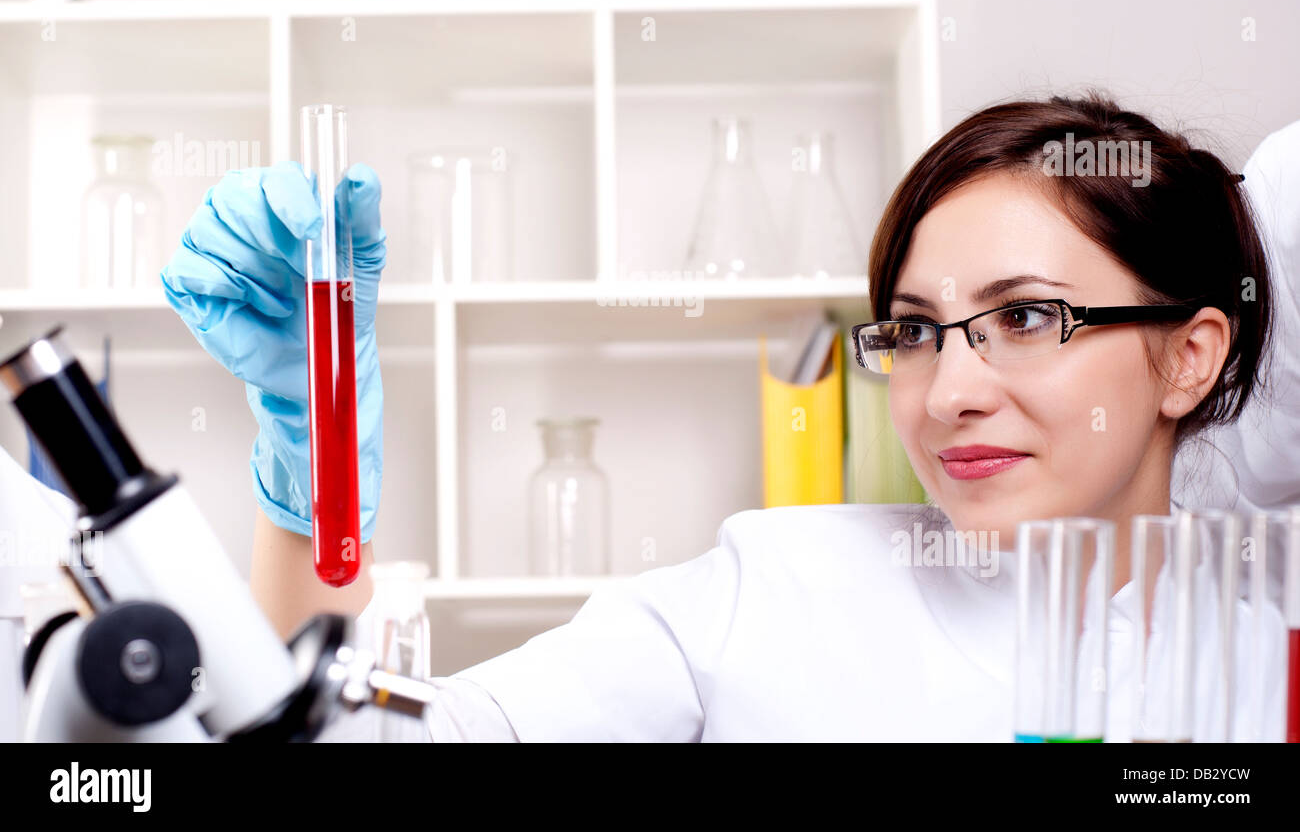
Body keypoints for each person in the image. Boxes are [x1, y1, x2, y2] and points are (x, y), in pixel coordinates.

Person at [2, 92, 1296, 741]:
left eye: (1026, 316)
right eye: (909, 330)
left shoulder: (1265, 670)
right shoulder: (772, 588)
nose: (949, 388)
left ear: (1189, 357)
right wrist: (319, 460)